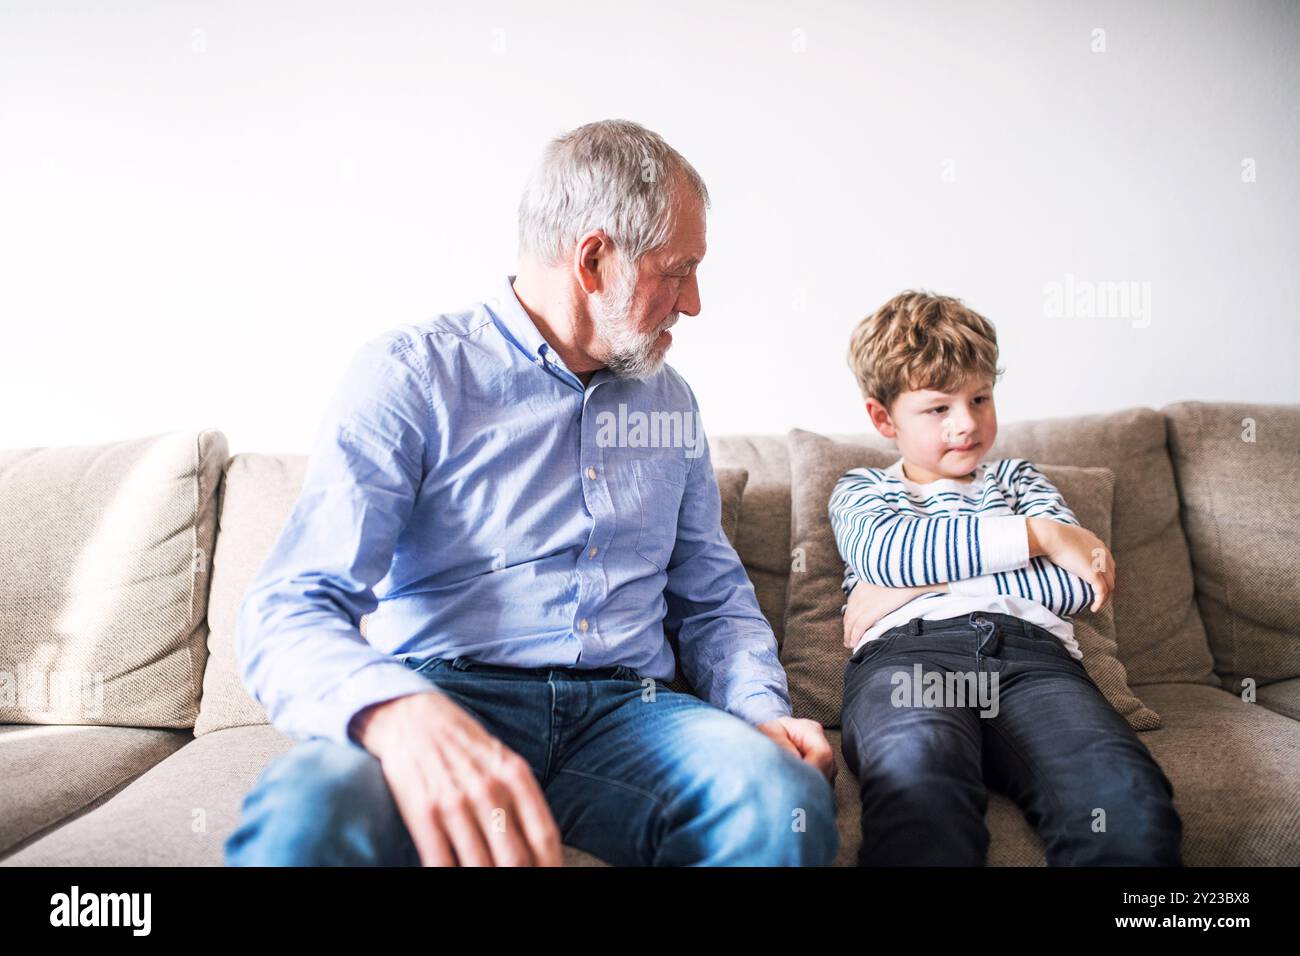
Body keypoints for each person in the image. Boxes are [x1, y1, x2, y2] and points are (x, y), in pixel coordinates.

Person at [224, 119, 838, 867]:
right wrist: (393, 710)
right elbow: (289, 605)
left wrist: (760, 712)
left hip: (629, 715)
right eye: (679, 269)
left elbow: (710, 598)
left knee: (779, 802)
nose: (695, 302)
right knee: (315, 809)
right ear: (593, 260)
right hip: (447, 696)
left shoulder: (670, 404)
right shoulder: (413, 374)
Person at [830, 290, 1182, 866]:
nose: (966, 424)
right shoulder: (863, 489)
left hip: (1033, 659)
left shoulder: (1020, 480)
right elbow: (888, 553)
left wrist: (908, 583)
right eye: (938, 408)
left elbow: (1077, 586)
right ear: (882, 417)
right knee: (920, 795)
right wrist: (1039, 539)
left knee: (1129, 806)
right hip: (911, 658)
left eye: (980, 398)